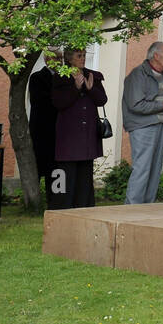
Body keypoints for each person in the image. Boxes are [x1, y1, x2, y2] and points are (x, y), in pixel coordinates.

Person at [122, 42, 163, 204]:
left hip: (160, 126)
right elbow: (135, 105)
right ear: (156, 56)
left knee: (155, 171)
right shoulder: (137, 75)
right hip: (143, 128)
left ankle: (147, 209)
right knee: (142, 169)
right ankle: (131, 210)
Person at [48, 48, 108, 209]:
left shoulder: (92, 75)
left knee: (85, 176)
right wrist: (75, 87)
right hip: (69, 136)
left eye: (84, 55)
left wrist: (90, 88)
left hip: (87, 135)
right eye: (79, 56)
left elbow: (102, 100)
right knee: (65, 175)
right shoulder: (60, 77)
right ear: (69, 58)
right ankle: (62, 208)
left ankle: (85, 208)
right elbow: (59, 103)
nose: (83, 59)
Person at [28, 50, 60, 195]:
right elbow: (41, 101)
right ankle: (35, 198)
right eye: (56, 58)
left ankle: (56, 197)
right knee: (40, 165)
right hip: (42, 130)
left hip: (59, 130)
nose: (59, 61)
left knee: (57, 167)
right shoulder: (37, 77)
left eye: (61, 58)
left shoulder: (63, 77)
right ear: (47, 59)